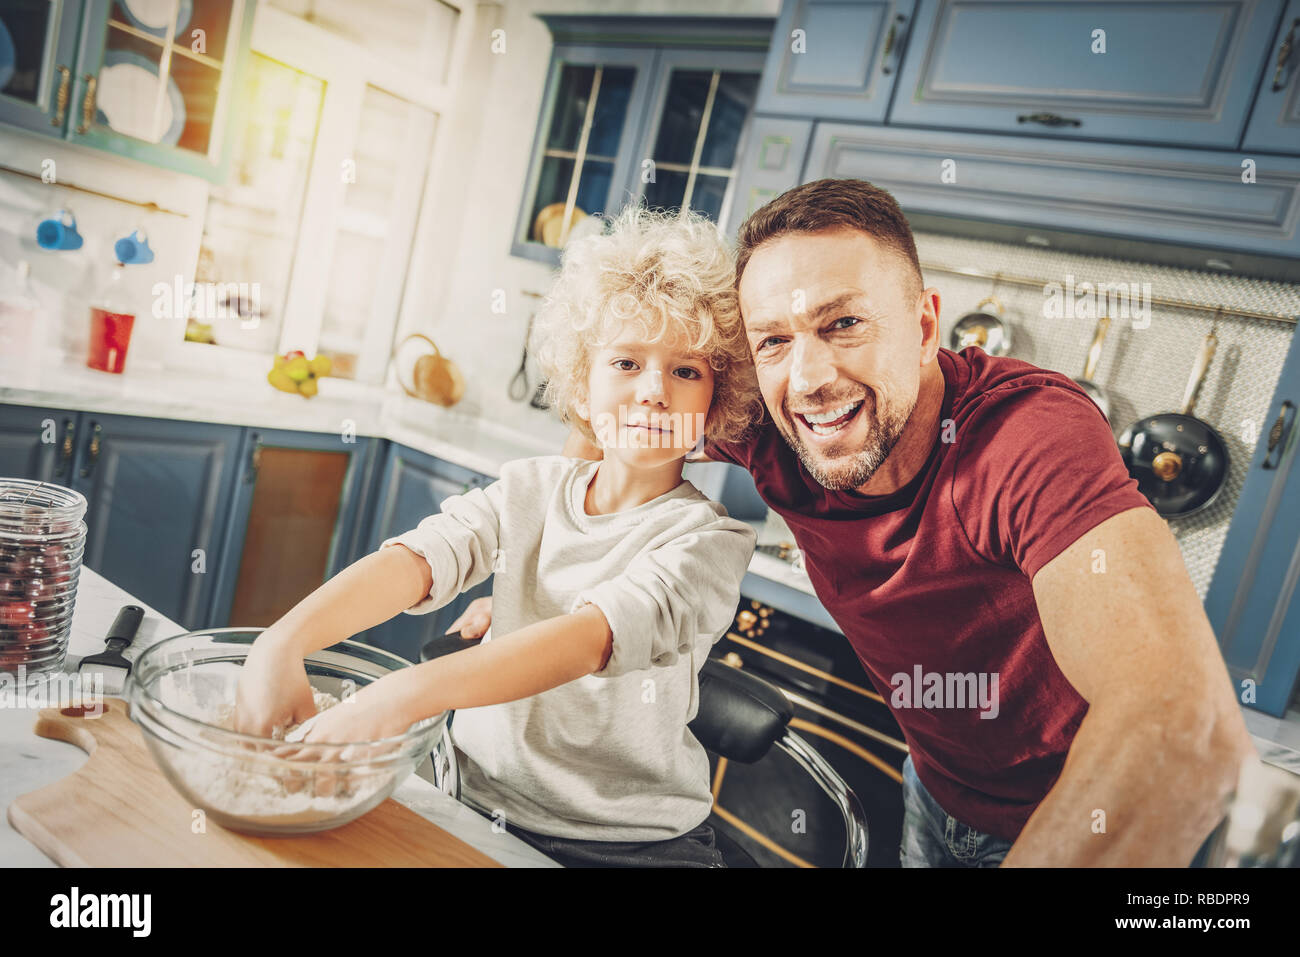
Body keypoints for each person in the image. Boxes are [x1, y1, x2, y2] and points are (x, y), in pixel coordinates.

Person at [458, 178, 1258, 867]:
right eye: (774, 339)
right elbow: (616, 423)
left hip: (1106, 822)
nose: (810, 377)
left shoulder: (1026, 436)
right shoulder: (773, 417)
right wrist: (550, 573)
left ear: (922, 324)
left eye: (843, 323)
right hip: (936, 792)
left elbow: (1182, 729)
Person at [233, 205, 762, 867]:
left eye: (686, 371)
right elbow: (425, 556)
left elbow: (588, 639)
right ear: (582, 381)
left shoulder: (708, 543)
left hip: (625, 846)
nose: (654, 390)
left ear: (717, 399)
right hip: (467, 798)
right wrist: (283, 640)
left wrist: (401, 695)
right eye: (626, 361)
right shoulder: (530, 488)